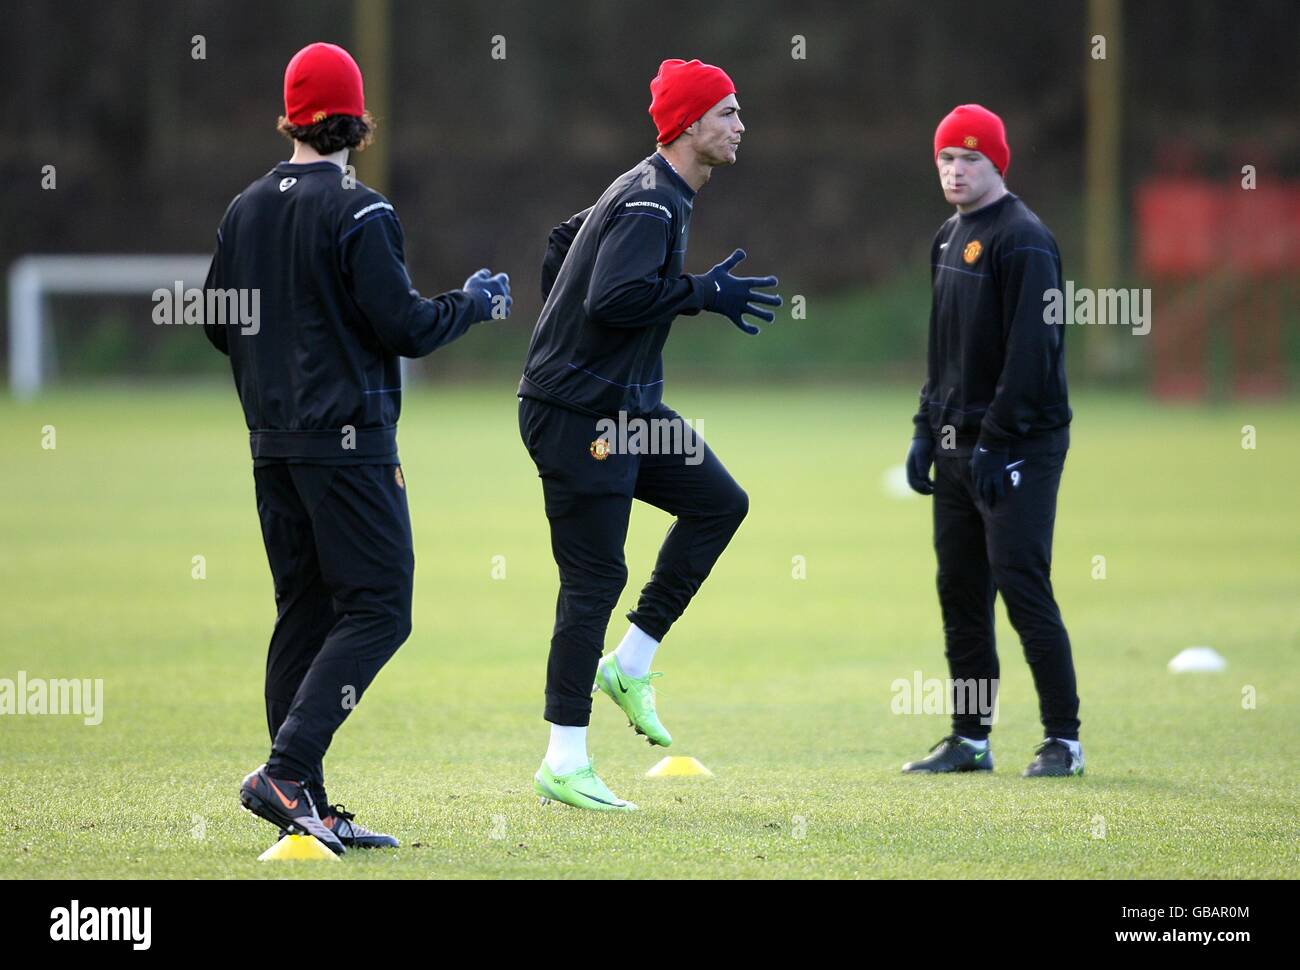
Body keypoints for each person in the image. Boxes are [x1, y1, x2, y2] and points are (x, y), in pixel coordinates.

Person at [203, 42, 512, 852]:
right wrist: (473, 304)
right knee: (380, 606)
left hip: (272, 444)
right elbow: (404, 325)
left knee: (303, 616)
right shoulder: (360, 209)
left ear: (291, 116)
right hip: (350, 446)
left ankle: (303, 799)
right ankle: (287, 769)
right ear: (356, 118)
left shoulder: (245, 208)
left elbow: (214, 323)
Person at [517, 58, 781, 810]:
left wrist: (568, 337)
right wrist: (702, 294)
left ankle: (629, 664)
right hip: (580, 418)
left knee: (719, 503)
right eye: (728, 112)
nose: (739, 125)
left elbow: (561, 242)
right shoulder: (651, 204)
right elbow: (613, 296)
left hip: (622, 409)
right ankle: (563, 760)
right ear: (692, 124)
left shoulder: (651, 188)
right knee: (594, 580)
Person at [902, 104, 1083, 778]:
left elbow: (1034, 354)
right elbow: (941, 347)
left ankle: (1063, 739)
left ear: (996, 163)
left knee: (1021, 582)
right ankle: (970, 738)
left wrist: (997, 440)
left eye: (970, 158)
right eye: (947, 157)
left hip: (1017, 444)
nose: (955, 169)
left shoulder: (1024, 239)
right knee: (960, 590)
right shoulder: (948, 236)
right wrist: (925, 430)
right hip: (956, 446)